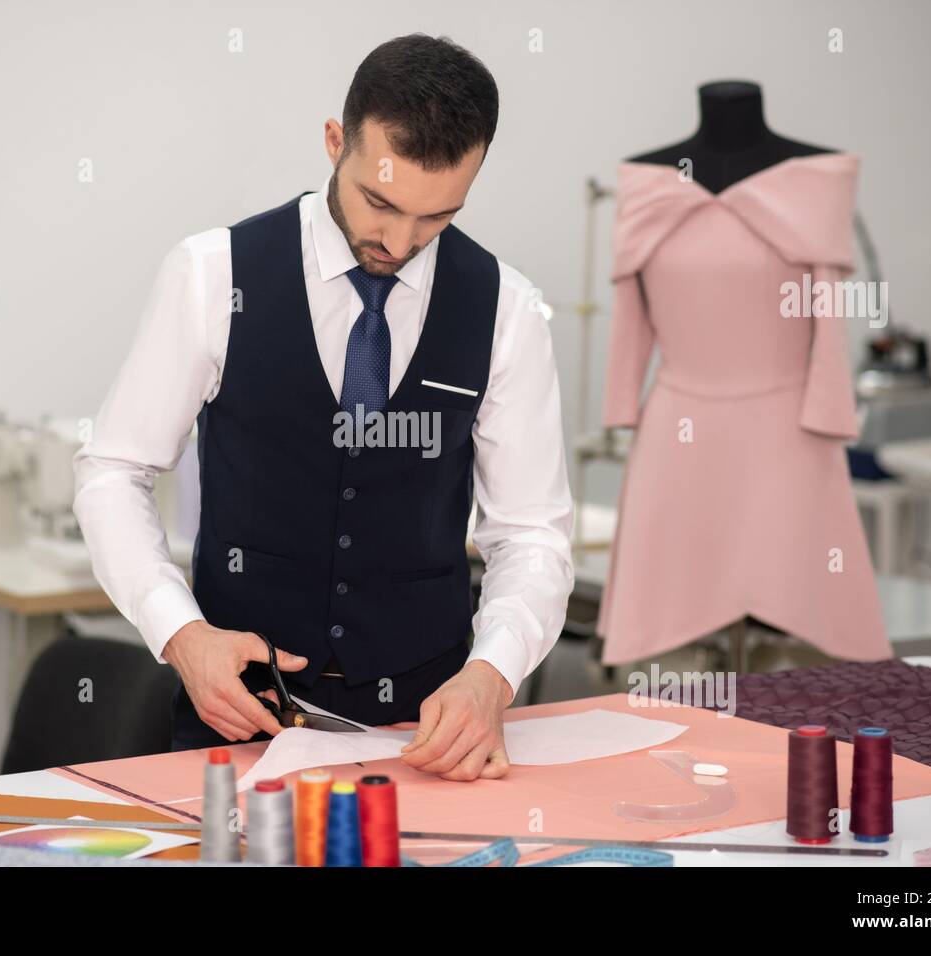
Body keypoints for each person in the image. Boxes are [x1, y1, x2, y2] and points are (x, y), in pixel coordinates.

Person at [74, 33, 572, 781]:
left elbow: (532, 533)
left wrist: (491, 675)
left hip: (428, 737)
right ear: (336, 142)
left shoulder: (507, 309)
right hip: (238, 723)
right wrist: (182, 636)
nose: (400, 242)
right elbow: (112, 471)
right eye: (381, 202)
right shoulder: (213, 275)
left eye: (436, 216)